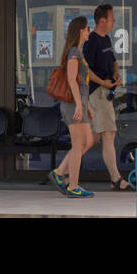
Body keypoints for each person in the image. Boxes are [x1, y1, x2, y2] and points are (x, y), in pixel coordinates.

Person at [82, 4, 131, 191]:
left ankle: (62, 171)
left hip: (106, 91)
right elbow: (86, 70)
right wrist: (103, 83)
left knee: (92, 139)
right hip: (98, 94)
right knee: (109, 134)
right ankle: (116, 179)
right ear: (102, 21)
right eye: (111, 18)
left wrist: (116, 74)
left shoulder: (106, 39)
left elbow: (113, 62)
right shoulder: (92, 41)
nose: (114, 22)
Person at [49, 16, 94, 198]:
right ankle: (73, 186)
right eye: (87, 28)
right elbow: (72, 80)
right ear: (81, 31)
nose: (89, 31)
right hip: (73, 105)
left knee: (87, 141)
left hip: (79, 103)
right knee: (78, 145)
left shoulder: (77, 51)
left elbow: (83, 83)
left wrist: (87, 105)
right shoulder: (74, 52)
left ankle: (60, 173)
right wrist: (78, 105)